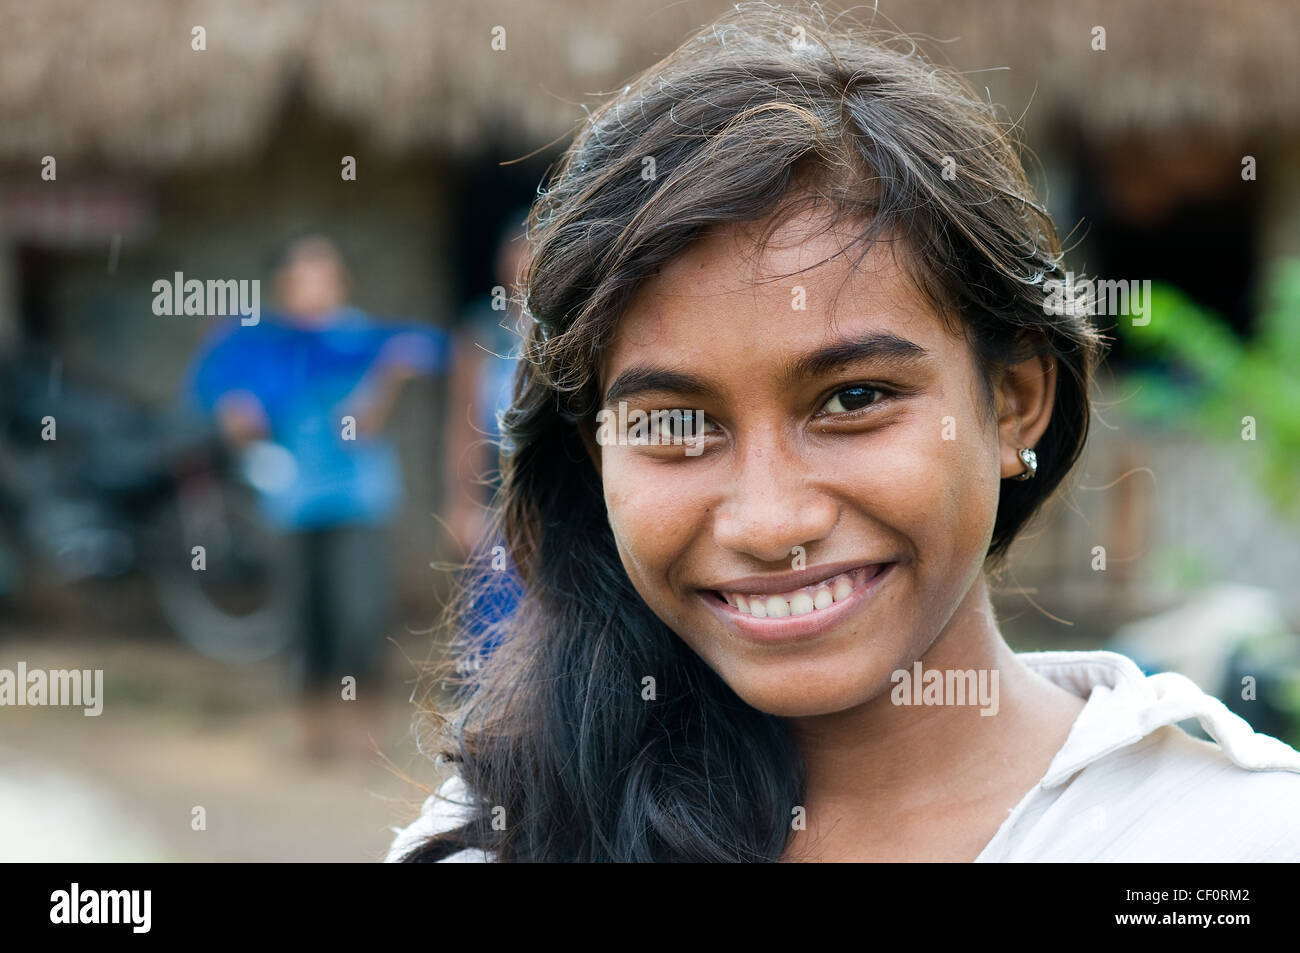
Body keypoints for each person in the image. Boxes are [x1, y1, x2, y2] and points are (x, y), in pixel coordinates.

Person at [387, 6, 1300, 861]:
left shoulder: (1218, 839)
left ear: (1016, 399)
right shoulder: (504, 835)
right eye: (673, 422)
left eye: (854, 398)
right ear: (597, 456)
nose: (770, 521)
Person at [188, 234, 447, 758]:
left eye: (325, 274)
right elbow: (219, 396)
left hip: (358, 500)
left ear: (342, 283)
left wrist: (387, 382)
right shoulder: (262, 346)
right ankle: (310, 732)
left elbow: (370, 421)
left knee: (361, 615)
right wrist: (235, 411)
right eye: (304, 275)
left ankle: (362, 733)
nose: (315, 286)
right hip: (291, 502)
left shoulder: (365, 343)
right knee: (303, 620)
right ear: (283, 285)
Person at [441, 215, 528, 673]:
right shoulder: (482, 331)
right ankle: (494, 716)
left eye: (534, 248)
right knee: (495, 604)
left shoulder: (573, 325)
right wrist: (464, 503)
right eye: (515, 249)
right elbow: (465, 426)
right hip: (497, 485)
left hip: (554, 483)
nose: (523, 261)